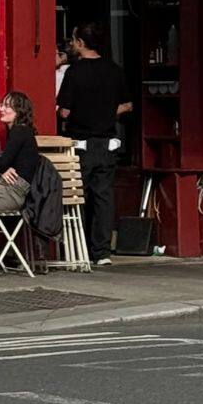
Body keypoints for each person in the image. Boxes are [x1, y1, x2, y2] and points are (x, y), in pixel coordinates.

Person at [57, 23, 131, 266]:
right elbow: (127, 105)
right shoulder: (114, 70)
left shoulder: (74, 72)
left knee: (79, 195)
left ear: (80, 43)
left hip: (80, 143)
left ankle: (81, 249)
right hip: (107, 143)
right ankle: (102, 252)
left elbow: (65, 112)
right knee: (104, 196)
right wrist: (108, 113)